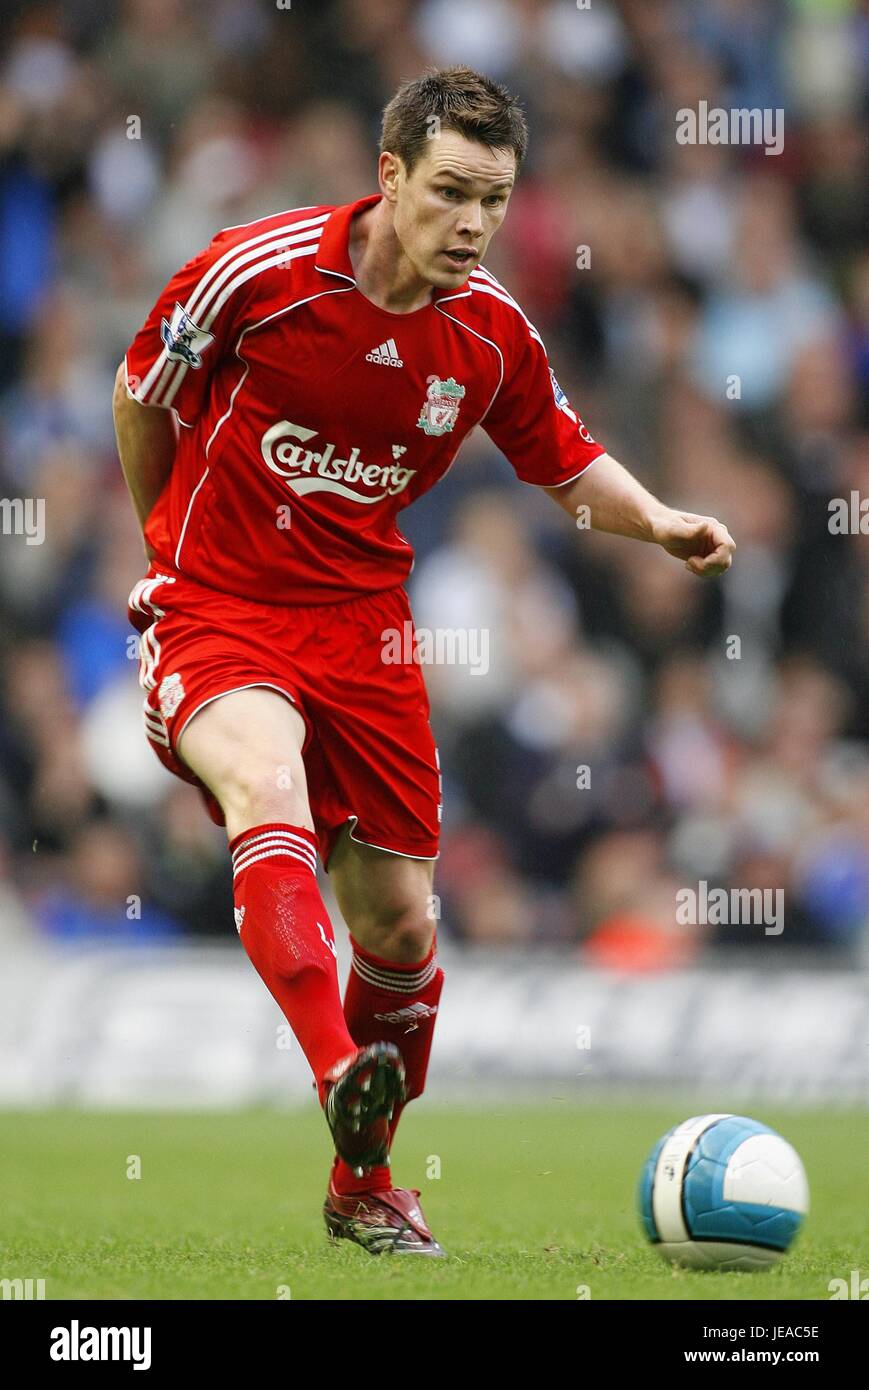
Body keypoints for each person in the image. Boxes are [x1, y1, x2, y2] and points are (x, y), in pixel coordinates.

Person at [113, 66, 734, 1257]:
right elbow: (141, 398)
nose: (471, 224)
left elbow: (563, 459)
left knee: (398, 928)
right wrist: (165, 551)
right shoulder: (255, 271)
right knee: (265, 784)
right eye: (449, 191)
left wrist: (656, 519)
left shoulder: (490, 332)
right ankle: (334, 1065)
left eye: (493, 200)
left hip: (367, 634)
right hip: (221, 605)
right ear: (388, 176)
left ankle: (363, 1180)